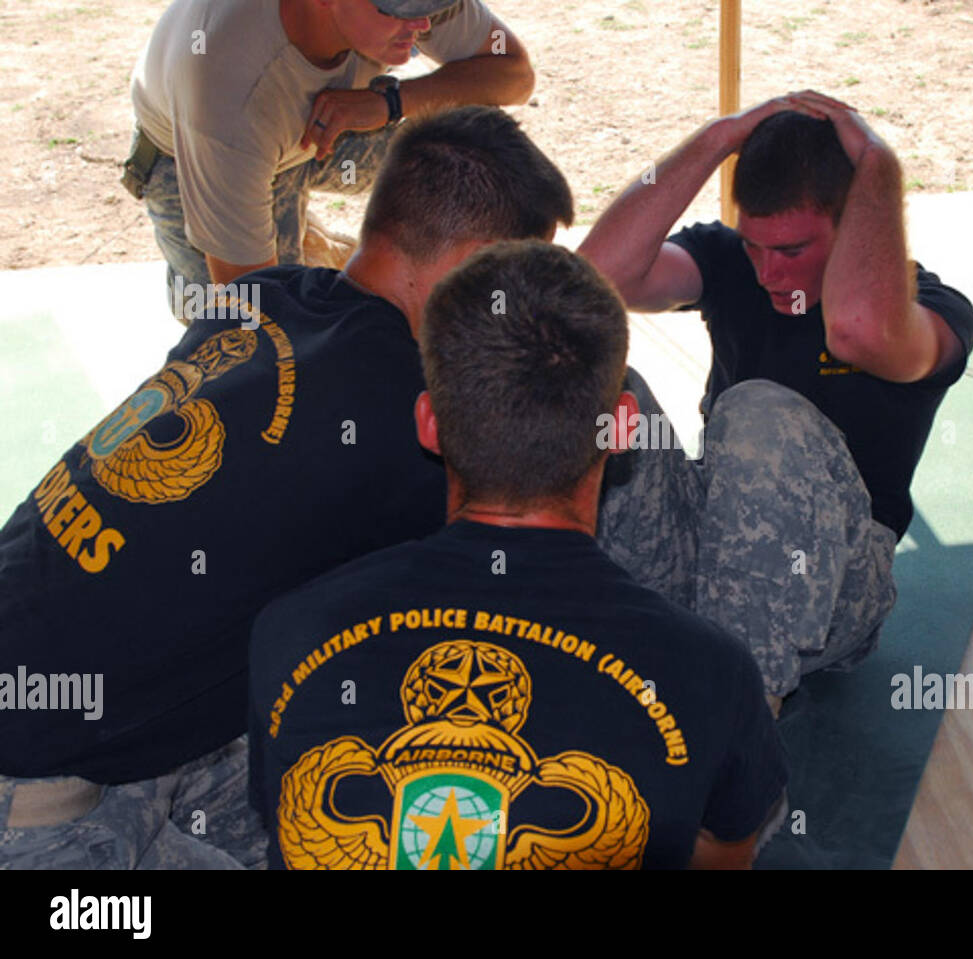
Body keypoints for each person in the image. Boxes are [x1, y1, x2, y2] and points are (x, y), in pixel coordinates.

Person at [0, 107, 573, 869]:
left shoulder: (268, 295)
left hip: (76, 710)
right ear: (475, 261)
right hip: (40, 806)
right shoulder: (405, 421)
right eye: (521, 274)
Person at [248, 241, 787, 870]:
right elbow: (724, 858)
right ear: (621, 427)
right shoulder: (712, 673)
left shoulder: (287, 632)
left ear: (428, 423)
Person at [579, 90, 973, 713]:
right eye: (753, 247)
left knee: (756, 409)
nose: (767, 273)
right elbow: (592, 283)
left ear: (852, 225)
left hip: (832, 593)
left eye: (792, 251)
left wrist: (878, 163)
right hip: (709, 551)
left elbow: (856, 330)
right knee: (593, 378)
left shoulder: (929, 313)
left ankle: (738, 719)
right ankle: (587, 621)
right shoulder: (734, 265)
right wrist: (718, 139)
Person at [123, 0, 534, 319]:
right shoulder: (226, 92)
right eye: (398, 9)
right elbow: (252, 312)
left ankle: (392, 277)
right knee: (229, 343)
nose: (423, 24)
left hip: (328, 125)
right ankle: (231, 254)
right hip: (197, 157)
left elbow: (513, 74)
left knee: (476, 142)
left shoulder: (401, 16)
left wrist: (390, 101)